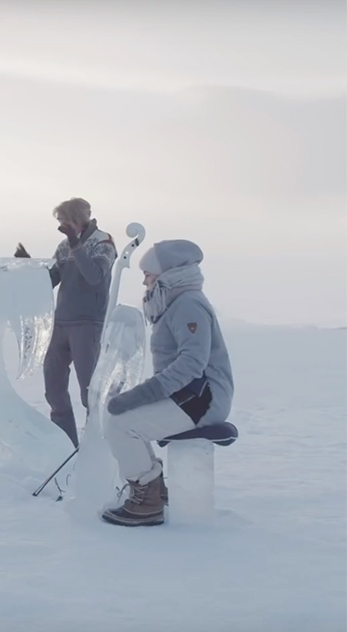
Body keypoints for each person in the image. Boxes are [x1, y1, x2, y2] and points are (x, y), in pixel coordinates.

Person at [101, 239, 234, 527]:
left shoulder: (188, 305)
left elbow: (190, 365)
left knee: (121, 425)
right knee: (124, 419)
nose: (145, 280)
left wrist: (140, 395)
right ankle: (154, 488)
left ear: (168, 274)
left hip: (204, 398)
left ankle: (147, 500)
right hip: (191, 395)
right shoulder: (175, 302)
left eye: (149, 273)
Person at [15, 198, 117, 447]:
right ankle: (67, 446)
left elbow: (94, 276)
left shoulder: (102, 242)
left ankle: (97, 445)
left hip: (88, 324)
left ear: (76, 219)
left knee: (89, 391)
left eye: (63, 220)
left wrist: (76, 243)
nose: (60, 226)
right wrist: (28, 265)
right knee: (54, 388)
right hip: (60, 323)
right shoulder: (64, 246)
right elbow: (50, 279)